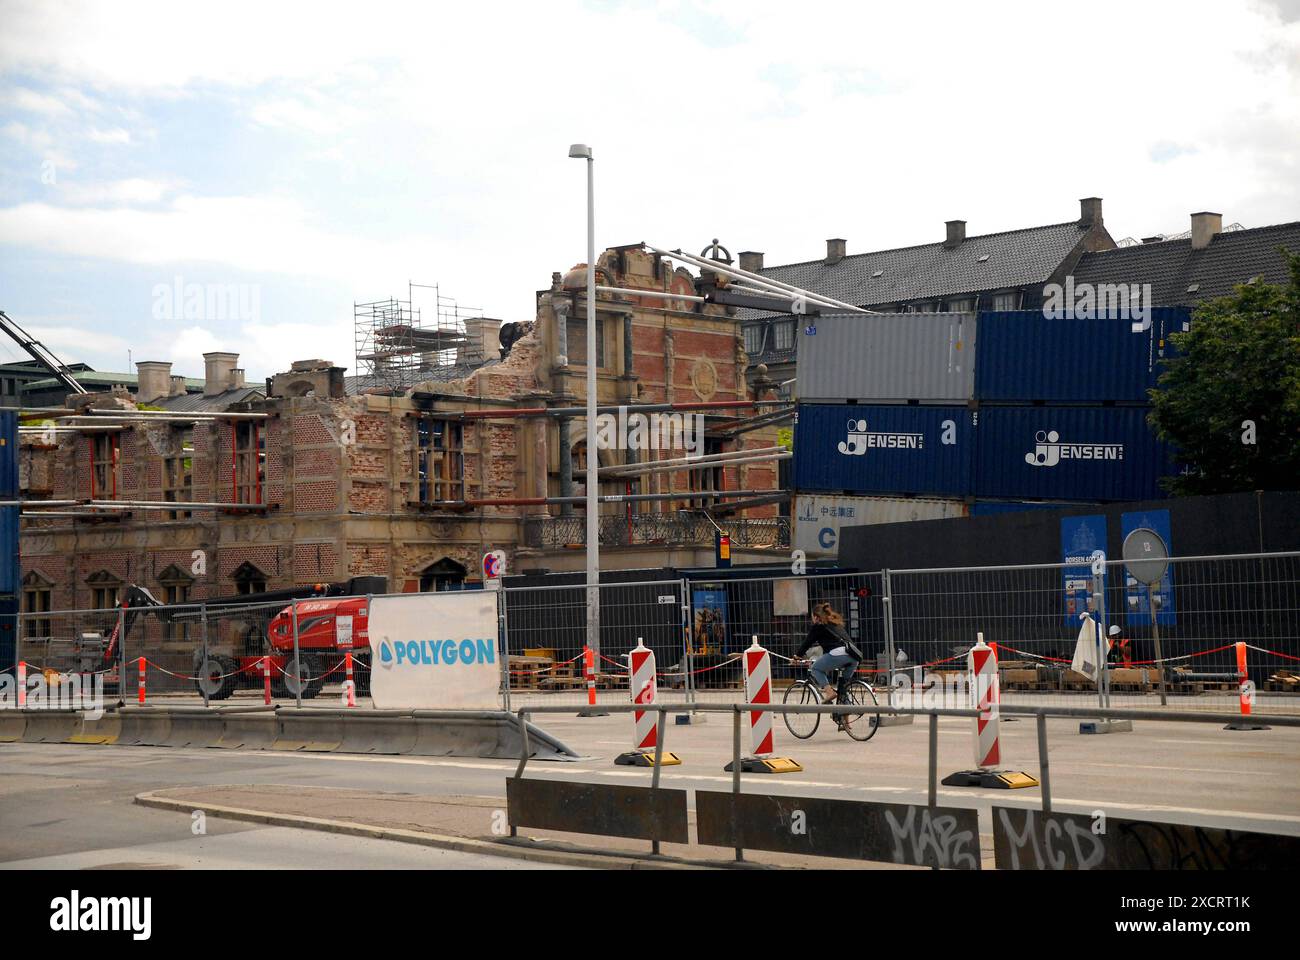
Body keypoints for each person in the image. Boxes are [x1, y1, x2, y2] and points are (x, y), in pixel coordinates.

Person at [794, 603, 864, 728]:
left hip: (838, 654)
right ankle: (845, 722)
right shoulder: (835, 623)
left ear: (816, 617)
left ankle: (829, 692)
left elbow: (807, 642)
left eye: (812, 617)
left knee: (815, 668)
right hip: (853, 657)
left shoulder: (819, 626)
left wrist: (797, 656)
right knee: (843, 687)